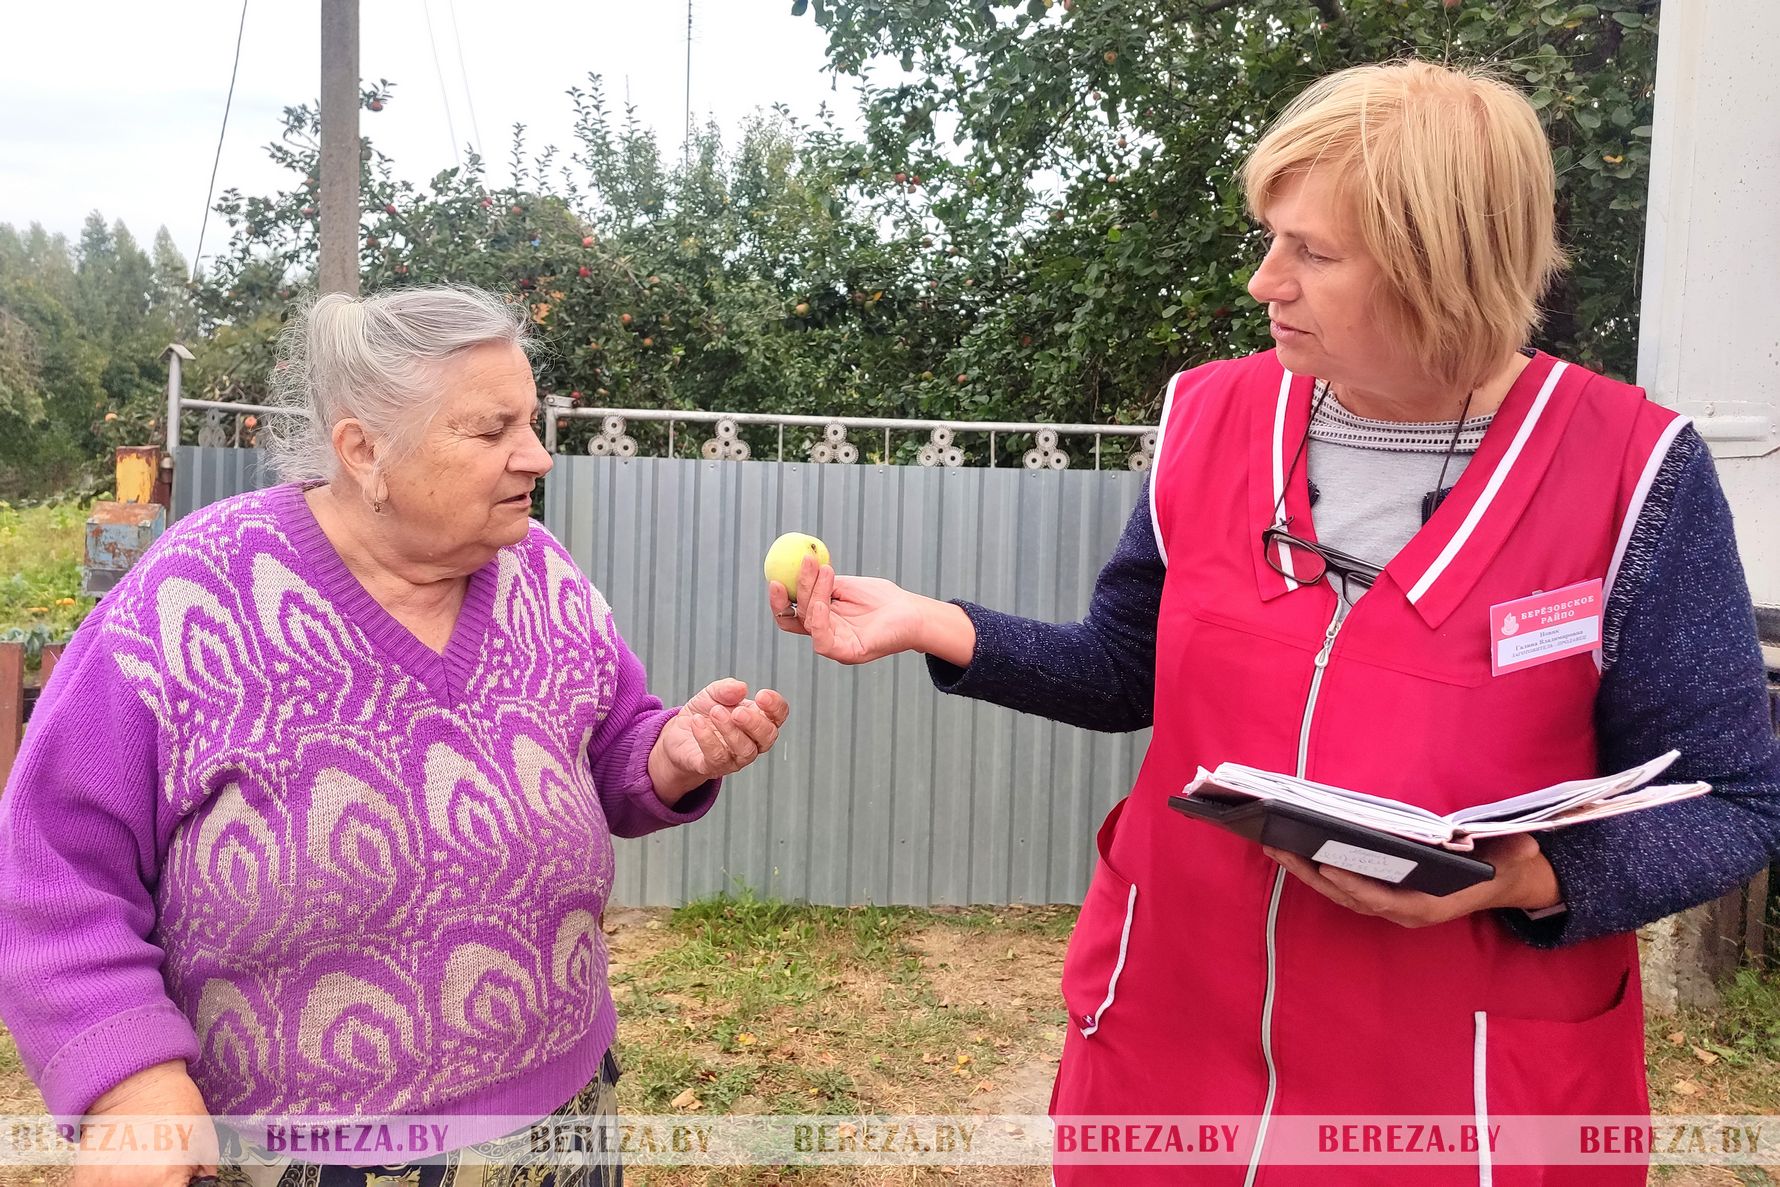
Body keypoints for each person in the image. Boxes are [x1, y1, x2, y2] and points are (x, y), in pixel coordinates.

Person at [770, 60, 1780, 1184]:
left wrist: (1531, 874)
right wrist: (933, 622)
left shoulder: (1633, 472)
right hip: (1169, 1055)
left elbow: (1735, 802)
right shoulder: (1211, 416)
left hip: (1458, 1103)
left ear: (1438, 264)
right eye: (1270, 235)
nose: (1264, 281)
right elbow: (1123, 672)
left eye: (1311, 250)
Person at [0, 285, 789, 1187]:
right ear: (365, 449)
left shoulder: (545, 574)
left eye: (530, 422)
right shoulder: (195, 596)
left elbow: (612, 748)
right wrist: (134, 1081)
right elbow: (53, 861)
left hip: (558, 1131)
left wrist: (668, 757)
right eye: (492, 431)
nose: (535, 456)